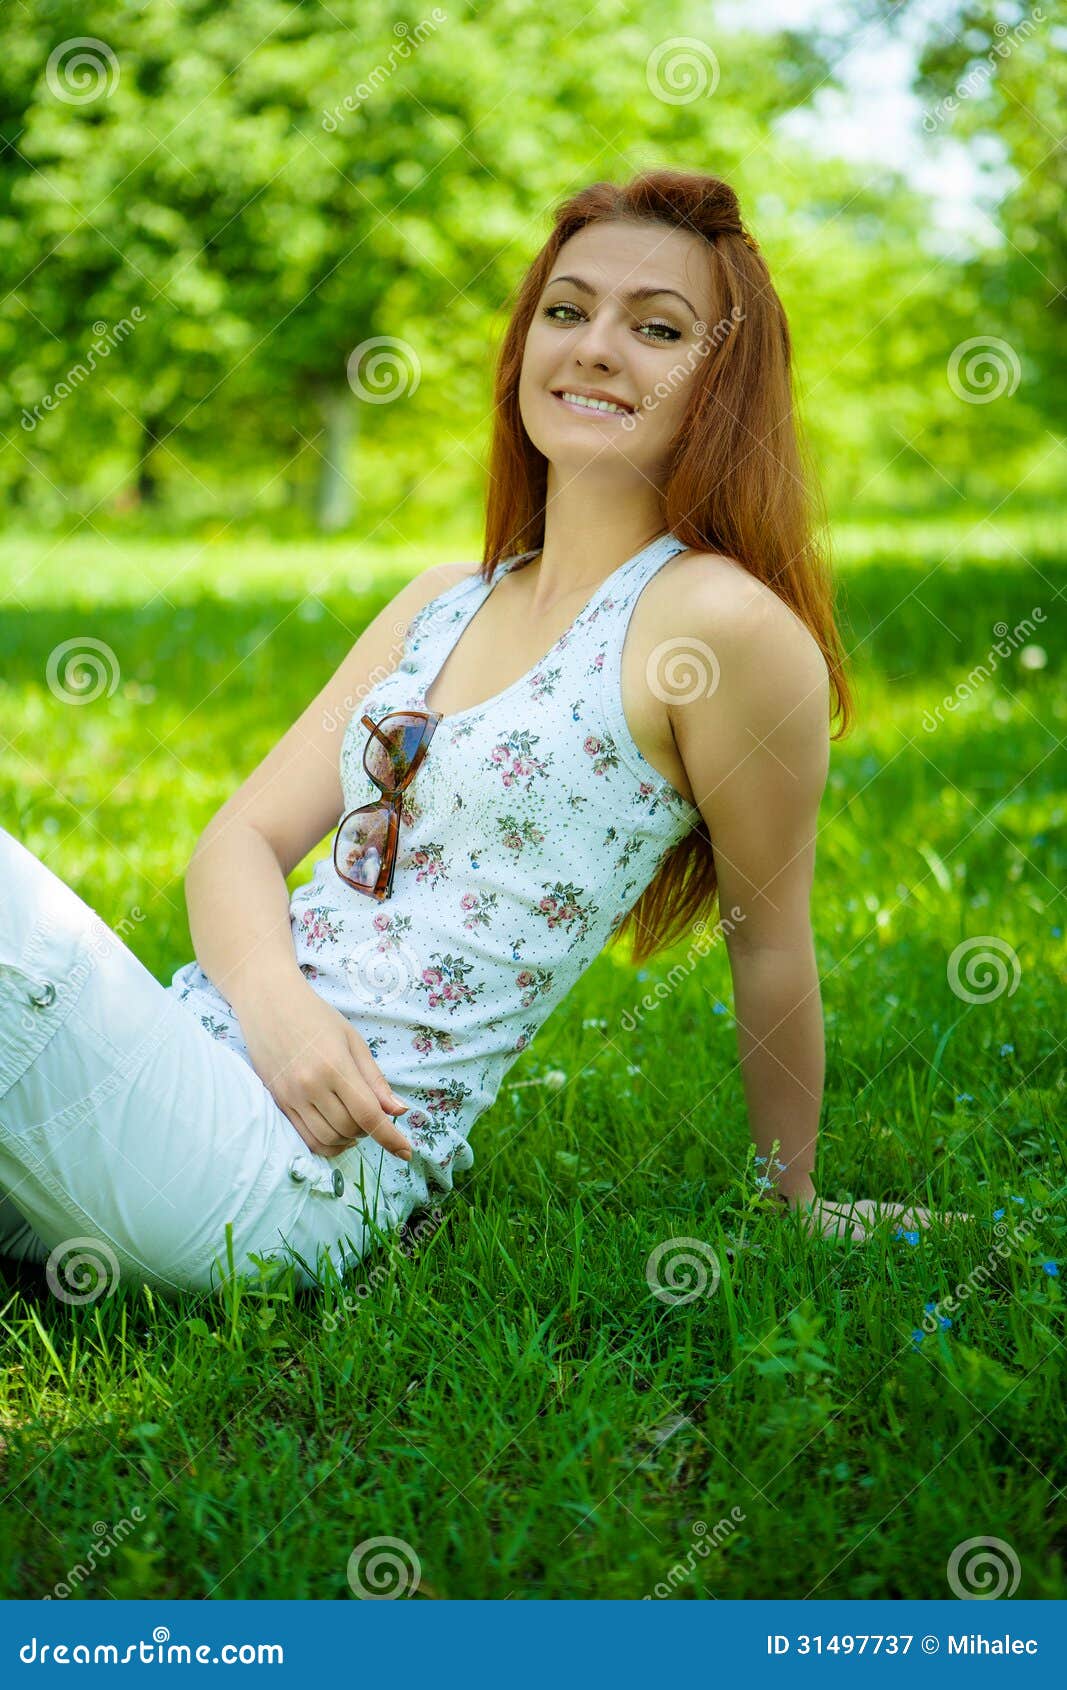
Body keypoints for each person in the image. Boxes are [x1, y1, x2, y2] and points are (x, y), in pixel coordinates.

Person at [0, 168, 965, 1300]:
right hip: (179, 1070)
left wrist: (790, 1199)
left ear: (724, 384)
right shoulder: (437, 602)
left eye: (656, 327)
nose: (596, 347)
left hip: (288, 1174)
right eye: (566, 310)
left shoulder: (716, 626)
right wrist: (279, 1012)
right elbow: (238, 844)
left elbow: (766, 940)